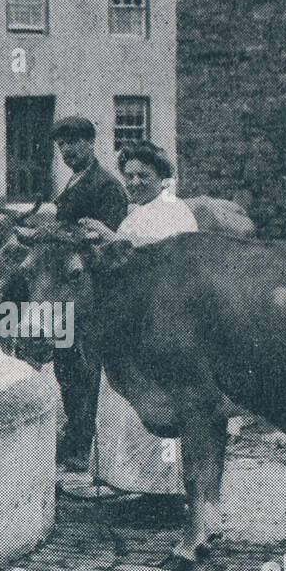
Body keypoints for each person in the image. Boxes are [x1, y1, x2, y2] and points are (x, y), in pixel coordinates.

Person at [92, 141, 198, 500]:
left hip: (165, 317)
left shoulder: (174, 209)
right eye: (129, 175)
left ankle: (166, 490)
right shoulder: (139, 210)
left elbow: (167, 256)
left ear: (161, 176)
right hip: (136, 317)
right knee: (126, 400)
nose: (135, 182)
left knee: (159, 403)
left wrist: (112, 238)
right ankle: (137, 483)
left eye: (144, 176)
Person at [49, 116, 129, 471]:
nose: (67, 150)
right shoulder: (76, 180)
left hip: (92, 290)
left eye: (74, 142)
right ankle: (76, 434)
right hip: (68, 287)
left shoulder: (106, 185)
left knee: (85, 365)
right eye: (62, 145)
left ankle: (83, 446)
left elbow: (110, 240)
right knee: (66, 363)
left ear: (90, 142)